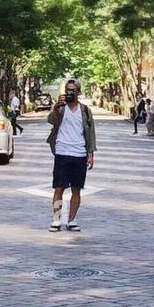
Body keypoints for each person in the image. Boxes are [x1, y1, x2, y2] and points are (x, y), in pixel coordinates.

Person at [46, 78, 96, 231]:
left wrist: (90, 154)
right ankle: (56, 220)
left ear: (78, 92)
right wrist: (55, 107)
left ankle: (72, 220)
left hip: (79, 153)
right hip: (62, 151)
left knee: (76, 189)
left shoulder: (85, 111)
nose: (70, 93)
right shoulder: (60, 108)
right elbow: (50, 120)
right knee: (59, 188)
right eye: (68, 90)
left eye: (73, 90)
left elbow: (91, 133)